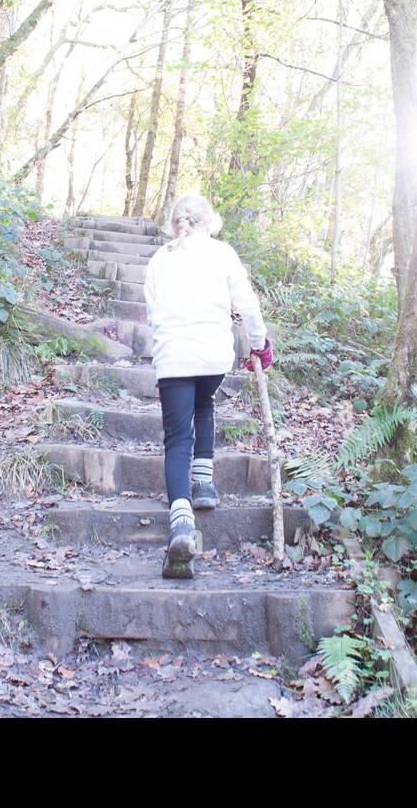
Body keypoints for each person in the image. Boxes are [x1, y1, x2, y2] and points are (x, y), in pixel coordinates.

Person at [144, 194, 273, 579]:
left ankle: (182, 523)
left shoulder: (159, 259)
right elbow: (247, 303)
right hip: (214, 355)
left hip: (173, 355)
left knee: (177, 438)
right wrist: (259, 342)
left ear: (175, 223)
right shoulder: (223, 254)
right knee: (206, 405)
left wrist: (163, 353)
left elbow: (151, 311)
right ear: (207, 221)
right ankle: (204, 483)